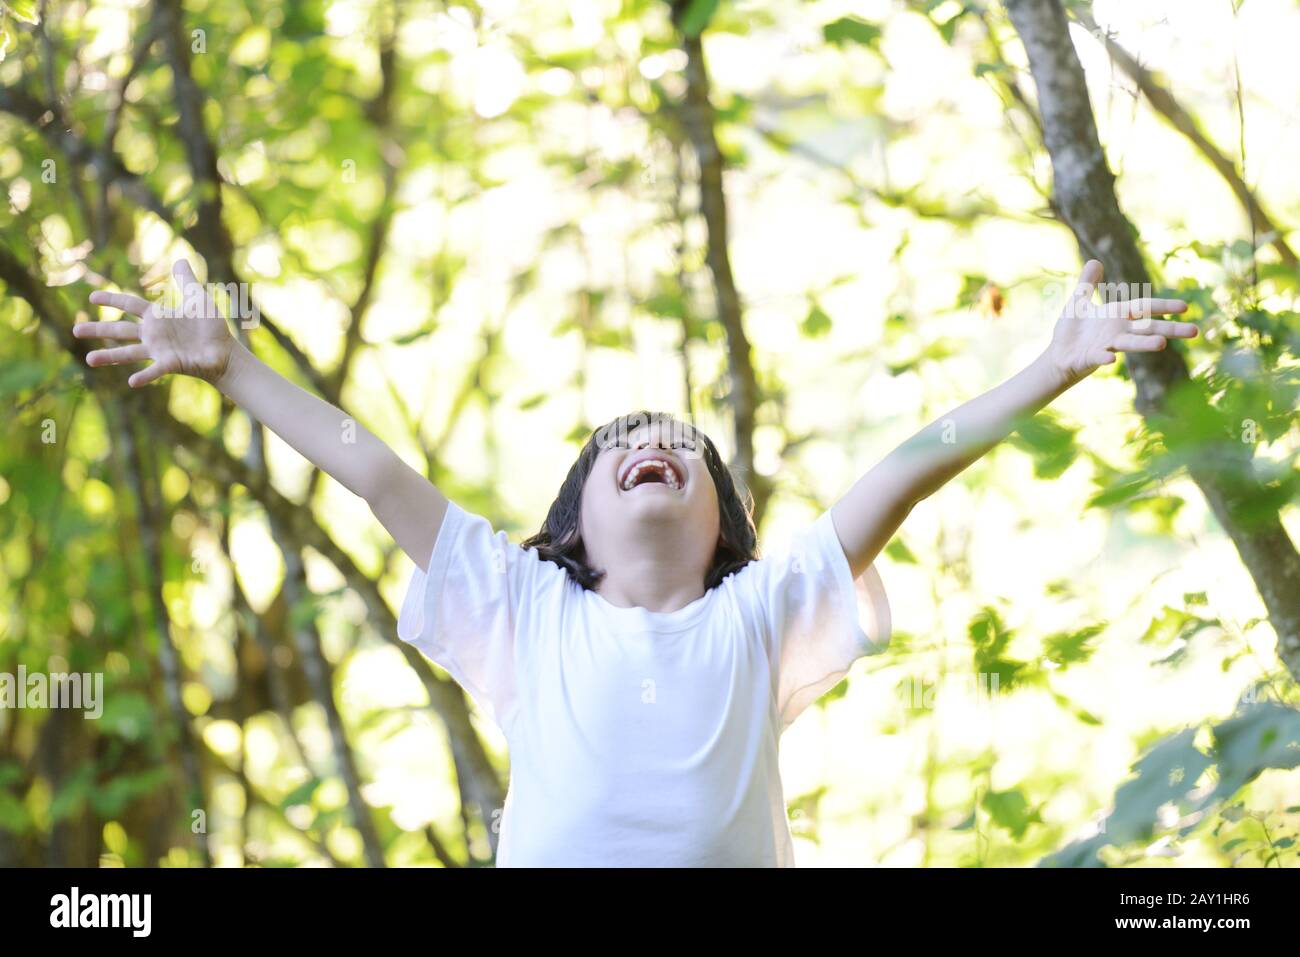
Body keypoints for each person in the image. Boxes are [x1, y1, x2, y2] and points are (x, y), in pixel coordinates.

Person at [75, 257, 1196, 865]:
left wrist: (1052, 369)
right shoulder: (524, 608)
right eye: (622, 443)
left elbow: (903, 470)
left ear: (725, 528)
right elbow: (371, 471)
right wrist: (231, 369)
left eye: (682, 451)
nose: (652, 444)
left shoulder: (763, 614)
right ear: (570, 531)